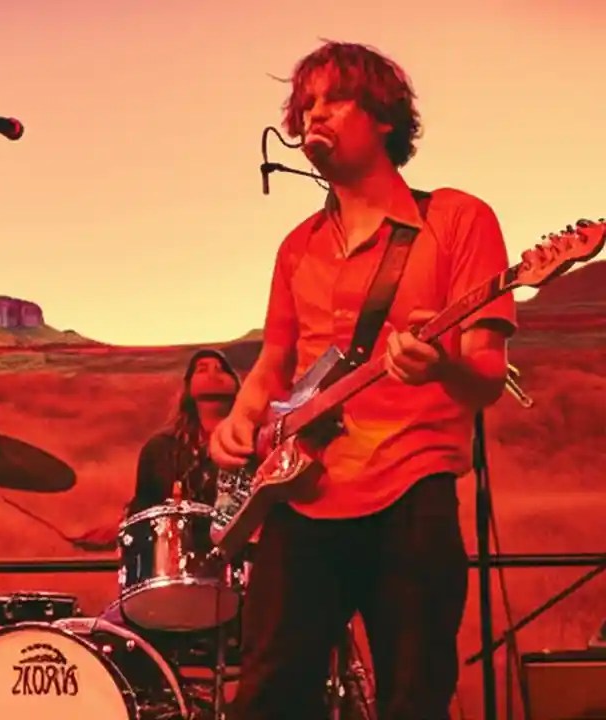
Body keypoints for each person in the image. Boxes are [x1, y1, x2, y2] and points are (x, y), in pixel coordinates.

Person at [208, 42, 516, 719]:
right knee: (266, 697)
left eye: (335, 98)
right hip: (301, 494)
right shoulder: (298, 247)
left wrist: (444, 365)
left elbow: (487, 377)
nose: (314, 113)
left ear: (383, 117)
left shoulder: (458, 221)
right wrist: (240, 418)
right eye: (306, 103)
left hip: (411, 492)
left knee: (414, 696)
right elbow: (275, 361)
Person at [71, 348, 243, 553]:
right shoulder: (161, 449)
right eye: (202, 369)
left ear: (236, 385)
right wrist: (118, 530)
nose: (213, 373)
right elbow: (144, 508)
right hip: (179, 559)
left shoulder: (254, 443)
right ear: (188, 388)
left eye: (221, 369)